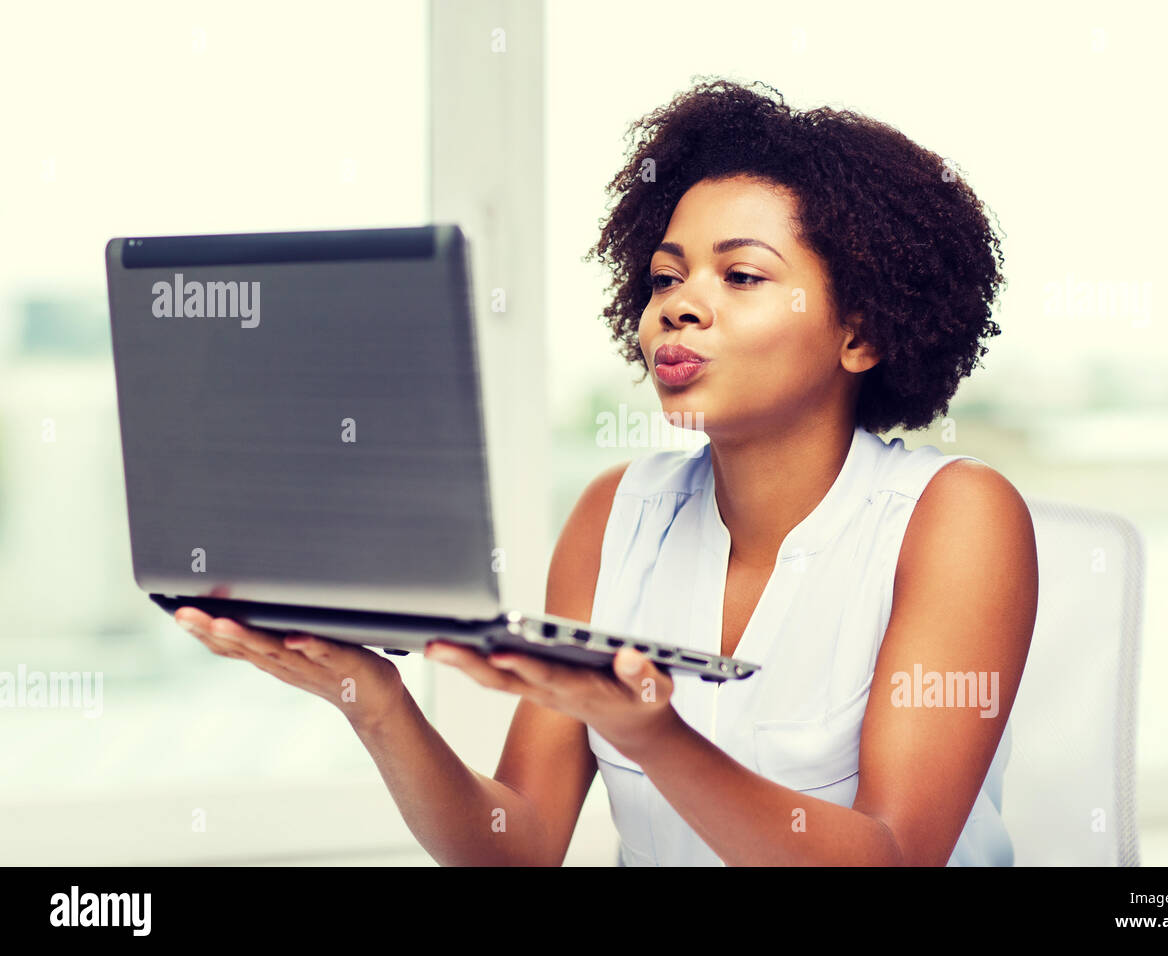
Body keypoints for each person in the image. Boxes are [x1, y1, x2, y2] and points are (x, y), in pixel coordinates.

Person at [174, 77, 1037, 866]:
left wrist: (652, 733)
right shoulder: (615, 514)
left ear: (861, 334)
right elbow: (519, 844)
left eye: (740, 275)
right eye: (666, 276)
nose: (678, 303)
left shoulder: (956, 515)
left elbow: (892, 856)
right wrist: (372, 695)